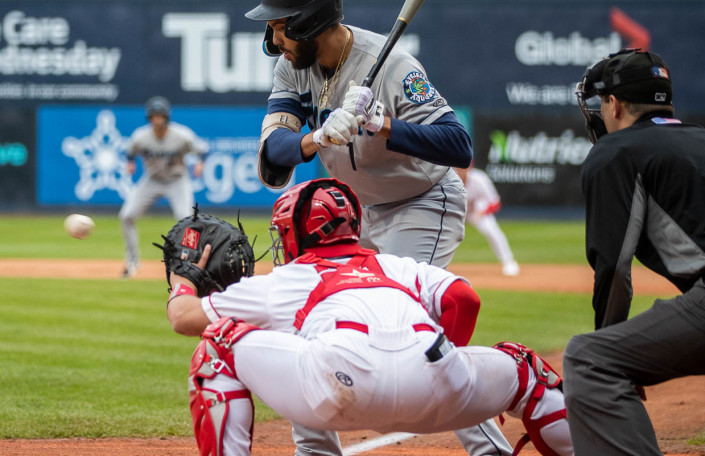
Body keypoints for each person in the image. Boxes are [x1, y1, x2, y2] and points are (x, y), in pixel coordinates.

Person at [246, 0, 508, 456]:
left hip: (421, 203)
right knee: (303, 320)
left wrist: (383, 123)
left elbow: (458, 144)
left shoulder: (394, 67)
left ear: (306, 24)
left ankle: (490, 449)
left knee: (408, 325)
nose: (273, 35)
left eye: (280, 24)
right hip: (354, 213)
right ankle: (316, 449)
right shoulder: (292, 67)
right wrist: (317, 137)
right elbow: (275, 151)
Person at [166, 178, 573, 456]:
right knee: (528, 369)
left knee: (218, 344)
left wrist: (183, 277)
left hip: (339, 393)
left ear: (297, 233)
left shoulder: (288, 280)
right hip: (436, 387)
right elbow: (464, 299)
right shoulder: (399, 266)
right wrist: (447, 361)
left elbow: (184, 319)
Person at [564, 48, 705, 455]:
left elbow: (614, 266)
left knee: (590, 360)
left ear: (613, 103)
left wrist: (613, 346)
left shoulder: (615, 151)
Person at [119, 96, 208, 278]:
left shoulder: (181, 135)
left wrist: (200, 163)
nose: (157, 119)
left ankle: (188, 262)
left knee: (187, 220)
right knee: (126, 215)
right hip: (152, 180)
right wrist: (130, 163)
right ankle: (132, 262)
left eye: (160, 115)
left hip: (177, 180)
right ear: (149, 118)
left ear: (166, 117)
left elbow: (202, 149)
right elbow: (130, 152)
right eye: (154, 116)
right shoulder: (141, 137)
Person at [462, 165, 520, 277]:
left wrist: (481, 212)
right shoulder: (448, 178)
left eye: (462, 166)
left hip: (476, 211)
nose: (460, 169)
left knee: (491, 229)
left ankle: (509, 262)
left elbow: (495, 202)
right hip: (456, 210)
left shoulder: (479, 179)